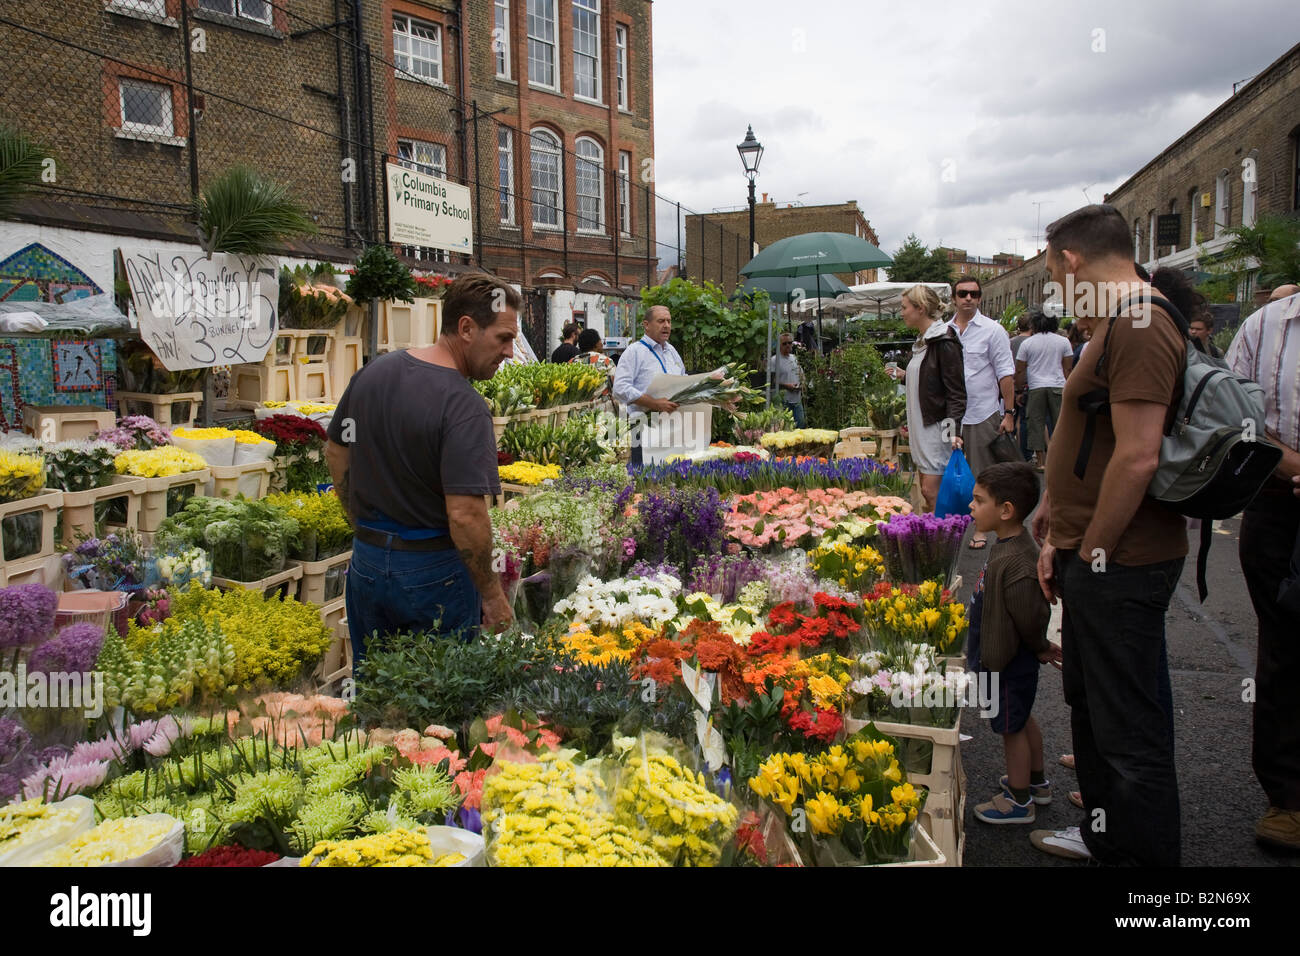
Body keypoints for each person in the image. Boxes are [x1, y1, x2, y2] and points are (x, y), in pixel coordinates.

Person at [1031, 204, 1187, 866]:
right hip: (1092, 551)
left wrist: (1091, 550)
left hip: (1119, 560)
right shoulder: (1120, 322)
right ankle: (1105, 834)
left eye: (1054, 277)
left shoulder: (1143, 321)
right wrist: (1054, 518)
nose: (1058, 293)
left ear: (1072, 262)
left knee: (1129, 729)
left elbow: (1138, 456)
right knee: (1097, 711)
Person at [325, 274, 520, 671]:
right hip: (432, 575)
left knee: (377, 698)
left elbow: (335, 452)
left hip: (366, 564)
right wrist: (493, 595)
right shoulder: (464, 405)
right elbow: (465, 514)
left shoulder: (373, 374)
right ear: (466, 328)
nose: (511, 352)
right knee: (439, 706)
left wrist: (357, 519)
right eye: (502, 338)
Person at [1225, 285, 1300, 852]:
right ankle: (1288, 799)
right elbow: (1232, 417)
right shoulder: (1266, 324)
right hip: (1280, 503)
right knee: (1283, 647)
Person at [968, 462, 1060, 824]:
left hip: (1006, 663)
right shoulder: (1008, 545)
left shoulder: (1017, 559)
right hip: (1006, 659)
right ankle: (1036, 782)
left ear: (1006, 510)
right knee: (1021, 719)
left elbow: (1029, 615)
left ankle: (1019, 801)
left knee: (1011, 727)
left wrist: (1039, 646)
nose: (971, 507)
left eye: (979, 501)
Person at [947, 276, 1016, 548]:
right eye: (963, 293)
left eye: (974, 294)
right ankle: (951, 523)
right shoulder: (944, 331)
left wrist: (1009, 413)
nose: (968, 298)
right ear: (954, 298)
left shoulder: (993, 331)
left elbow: (1006, 375)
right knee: (951, 473)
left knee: (981, 476)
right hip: (950, 415)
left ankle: (980, 529)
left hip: (982, 413)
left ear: (980, 298)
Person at [885, 284, 965, 512]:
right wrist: (904, 376)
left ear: (920, 308)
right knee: (927, 491)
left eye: (904, 307)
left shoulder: (944, 340)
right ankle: (936, 540)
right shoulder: (924, 342)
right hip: (922, 426)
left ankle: (945, 540)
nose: (901, 312)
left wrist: (953, 432)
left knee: (933, 492)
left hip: (936, 427)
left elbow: (956, 391)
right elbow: (930, 381)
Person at [612, 305, 685, 467]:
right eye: (661, 321)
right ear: (646, 325)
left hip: (672, 427)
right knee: (644, 479)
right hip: (643, 427)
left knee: (670, 478)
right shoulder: (634, 352)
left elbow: (683, 379)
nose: (666, 325)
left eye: (669, 321)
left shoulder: (672, 351)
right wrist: (654, 403)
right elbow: (620, 388)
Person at [1014, 308, 1073, 471]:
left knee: (1036, 424)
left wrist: (1019, 391)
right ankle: (1061, 459)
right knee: (1060, 424)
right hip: (1058, 386)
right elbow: (1068, 368)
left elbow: (1020, 370)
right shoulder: (1063, 341)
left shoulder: (1028, 343)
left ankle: (1041, 461)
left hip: (1035, 387)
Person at [768, 332, 807, 428]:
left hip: (797, 400)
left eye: (790, 343)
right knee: (785, 428)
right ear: (779, 345)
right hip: (784, 401)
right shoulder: (774, 360)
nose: (788, 345)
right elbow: (771, 381)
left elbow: (801, 374)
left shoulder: (794, 358)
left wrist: (802, 384)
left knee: (801, 425)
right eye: (784, 343)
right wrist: (786, 385)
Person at [569, 327, 615, 403]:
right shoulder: (607, 362)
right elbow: (617, 388)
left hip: (577, 411)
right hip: (603, 411)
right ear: (596, 344)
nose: (602, 343)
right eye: (600, 340)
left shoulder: (571, 362)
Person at [1009, 314, 1033, 462]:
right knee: (1024, 419)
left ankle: (1009, 450)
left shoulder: (1011, 342)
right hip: (1028, 383)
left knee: (1012, 416)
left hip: (1010, 383)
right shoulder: (1033, 342)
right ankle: (1024, 454)